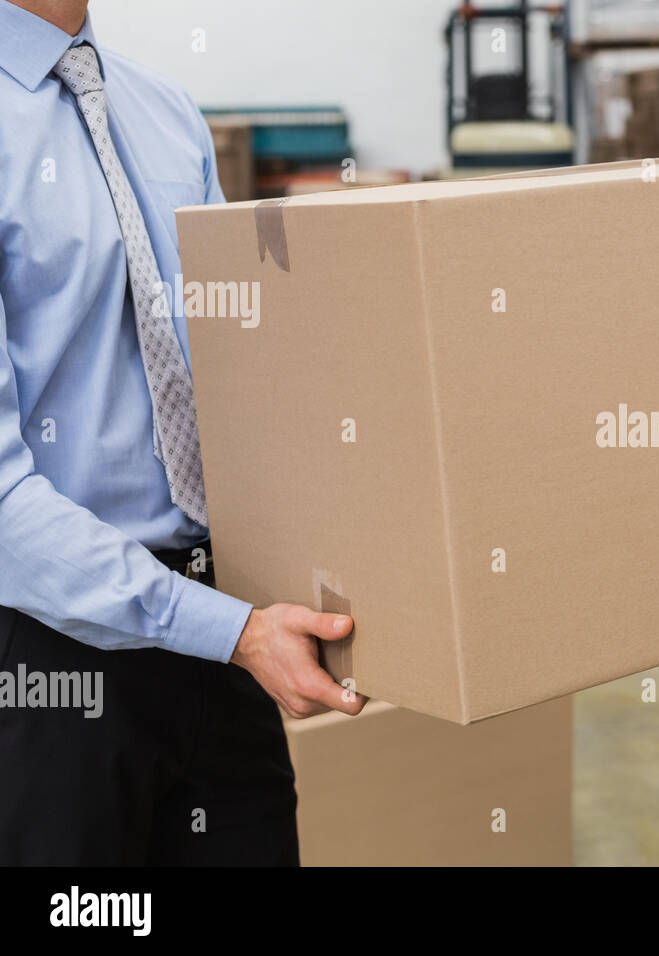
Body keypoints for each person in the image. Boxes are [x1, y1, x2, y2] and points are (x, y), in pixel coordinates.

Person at [0, 0, 364, 865]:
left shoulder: (163, 112)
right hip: (48, 659)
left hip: (221, 628)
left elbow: (236, 382)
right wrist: (229, 630)